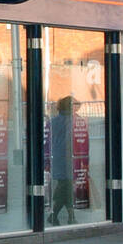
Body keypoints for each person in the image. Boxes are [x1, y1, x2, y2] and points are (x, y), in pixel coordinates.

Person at [48, 95, 75, 226]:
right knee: (66, 186)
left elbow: (48, 140)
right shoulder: (72, 121)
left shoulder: (53, 121)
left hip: (57, 157)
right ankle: (58, 215)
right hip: (68, 158)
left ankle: (66, 216)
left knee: (65, 186)